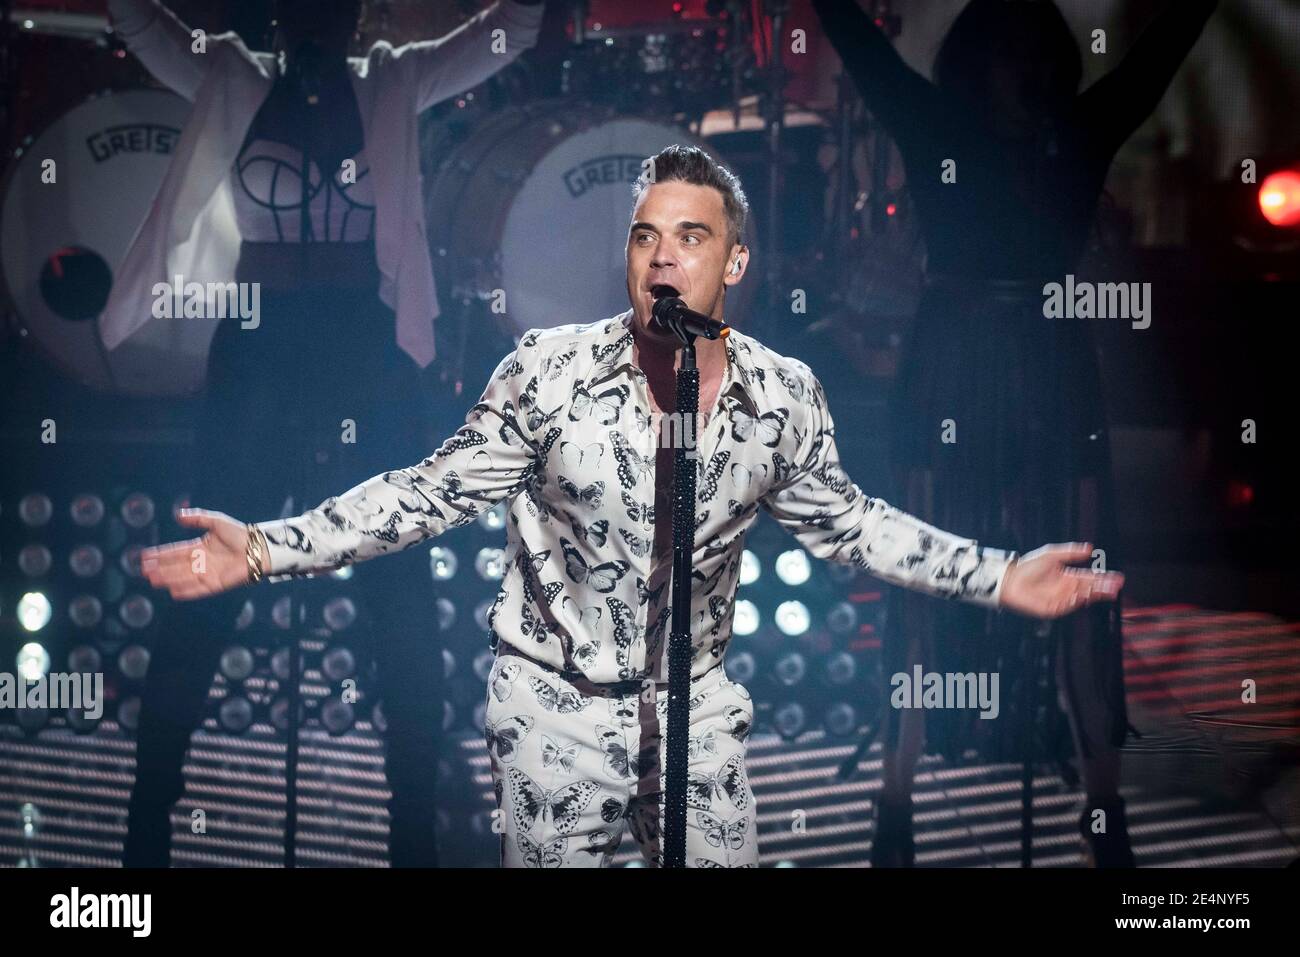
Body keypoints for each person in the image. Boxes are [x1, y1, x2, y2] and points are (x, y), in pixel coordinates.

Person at [140, 145, 1125, 868]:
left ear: (733, 263)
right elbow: (424, 492)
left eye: (689, 239)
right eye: (645, 237)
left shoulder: (780, 397)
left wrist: (997, 576)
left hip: (698, 716)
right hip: (552, 714)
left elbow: (853, 523)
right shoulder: (546, 373)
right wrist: (265, 549)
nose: (661, 258)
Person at [104, 0, 546, 868]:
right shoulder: (229, 75)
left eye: (328, 13)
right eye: (300, 14)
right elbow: (145, 26)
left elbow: (515, 32)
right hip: (262, 349)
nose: (315, 28)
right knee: (206, 569)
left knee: (397, 584)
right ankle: (145, 826)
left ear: (349, 22)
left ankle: (412, 831)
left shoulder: (394, 79)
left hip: (363, 347)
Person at [810, 0, 1217, 866]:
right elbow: (1168, 43)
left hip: (966, 354)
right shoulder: (1077, 123)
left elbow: (853, 38)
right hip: (1037, 358)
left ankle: (899, 802)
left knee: (949, 587)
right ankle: (1093, 811)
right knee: (1058, 591)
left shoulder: (940, 115)